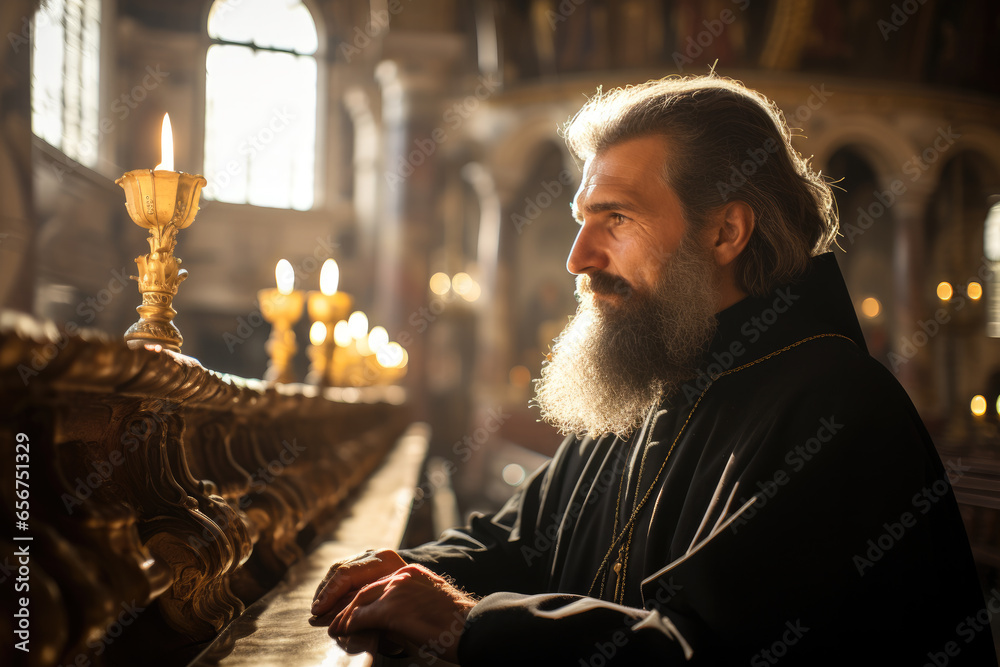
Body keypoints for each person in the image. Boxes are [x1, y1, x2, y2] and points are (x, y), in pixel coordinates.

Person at [310, 75, 997, 666]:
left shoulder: (839, 411)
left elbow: (710, 652)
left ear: (726, 231)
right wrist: (413, 570)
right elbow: (520, 540)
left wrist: (468, 624)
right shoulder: (646, 377)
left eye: (616, 217)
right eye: (583, 218)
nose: (578, 256)